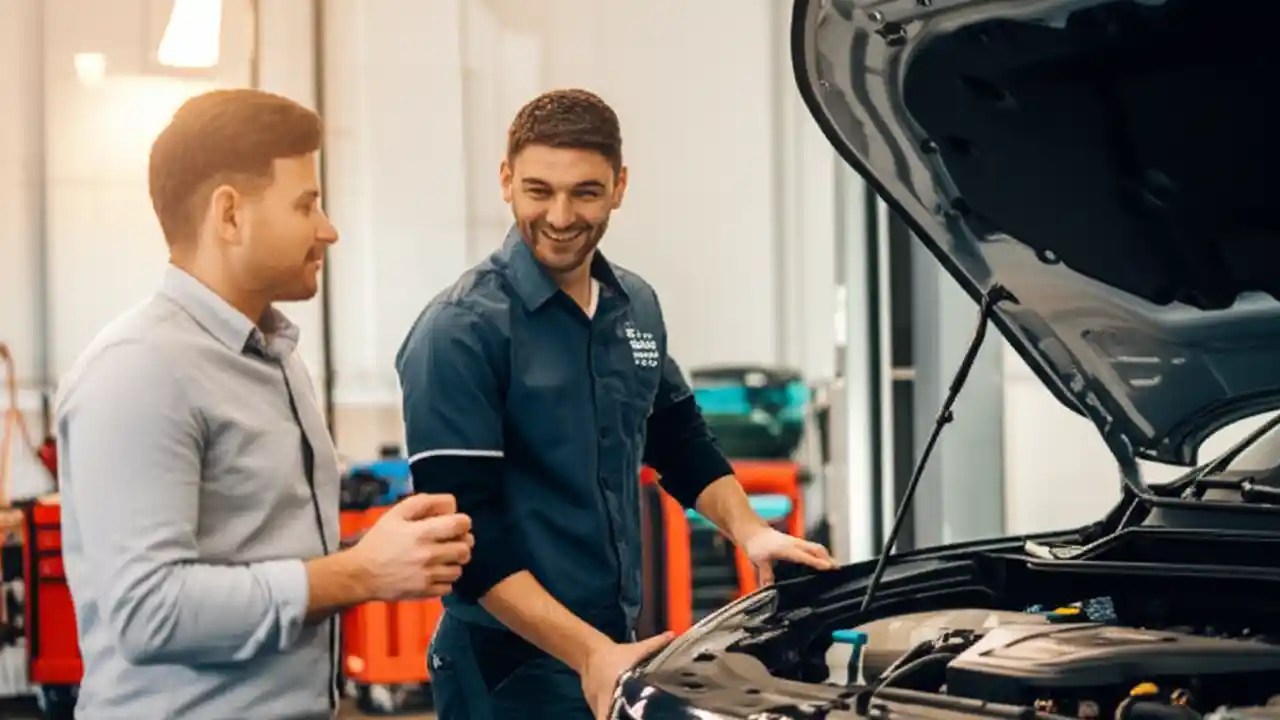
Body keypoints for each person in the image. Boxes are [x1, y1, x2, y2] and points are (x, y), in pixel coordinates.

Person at [395, 88, 837, 720]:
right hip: (506, 668)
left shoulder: (634, 305)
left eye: (586, 192)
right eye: (538, 190)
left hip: (611, 646)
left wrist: (751, 530)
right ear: (505, 180)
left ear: (620, 186)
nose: (560, 215)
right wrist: (591, 654)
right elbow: (469, 539)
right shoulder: (459, 331)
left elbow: (678, 438)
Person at [55, 88, 474, 720]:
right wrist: (360, 573)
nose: (327, 229)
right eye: (306, 204)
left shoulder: (274, 356)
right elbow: (148, 611)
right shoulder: (140, 370)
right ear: (229, 215)